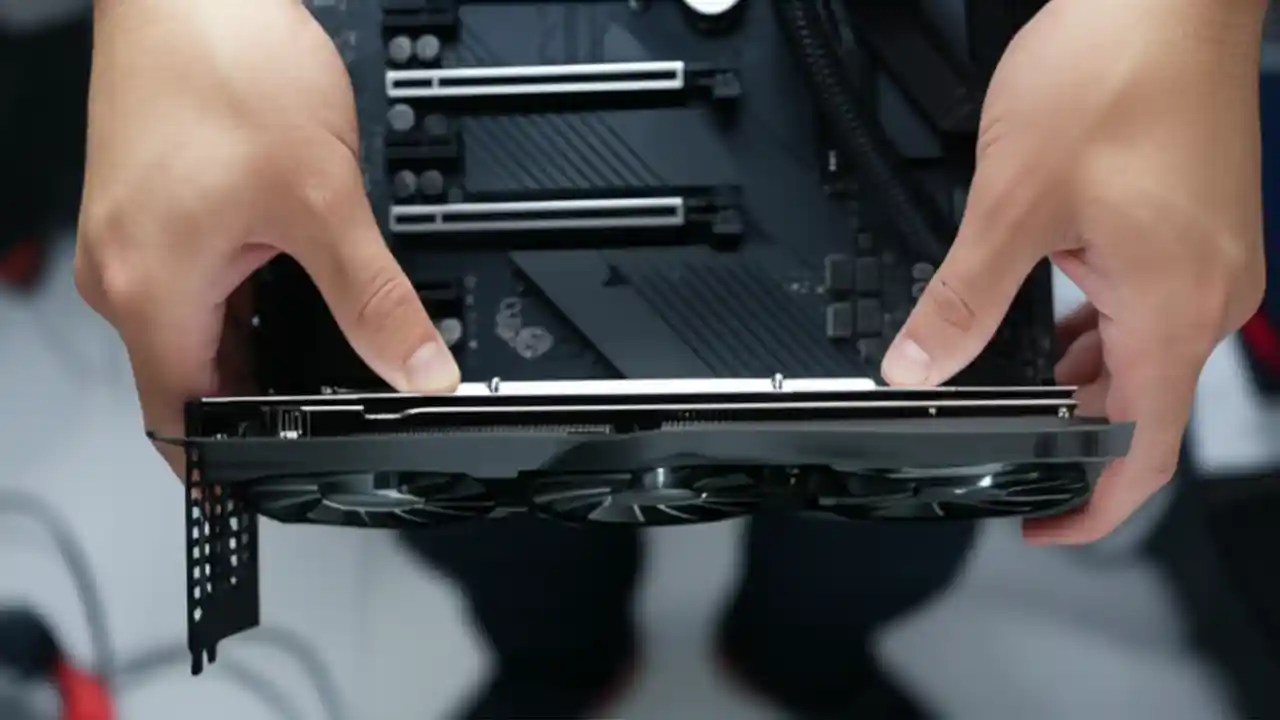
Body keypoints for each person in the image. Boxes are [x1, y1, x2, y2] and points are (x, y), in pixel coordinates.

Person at [72, 0, 1269, 716]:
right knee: (490, 509)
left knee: (883, 516)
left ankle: (799, 658)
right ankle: (566, 660)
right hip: (419, 206)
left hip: (889, 117)